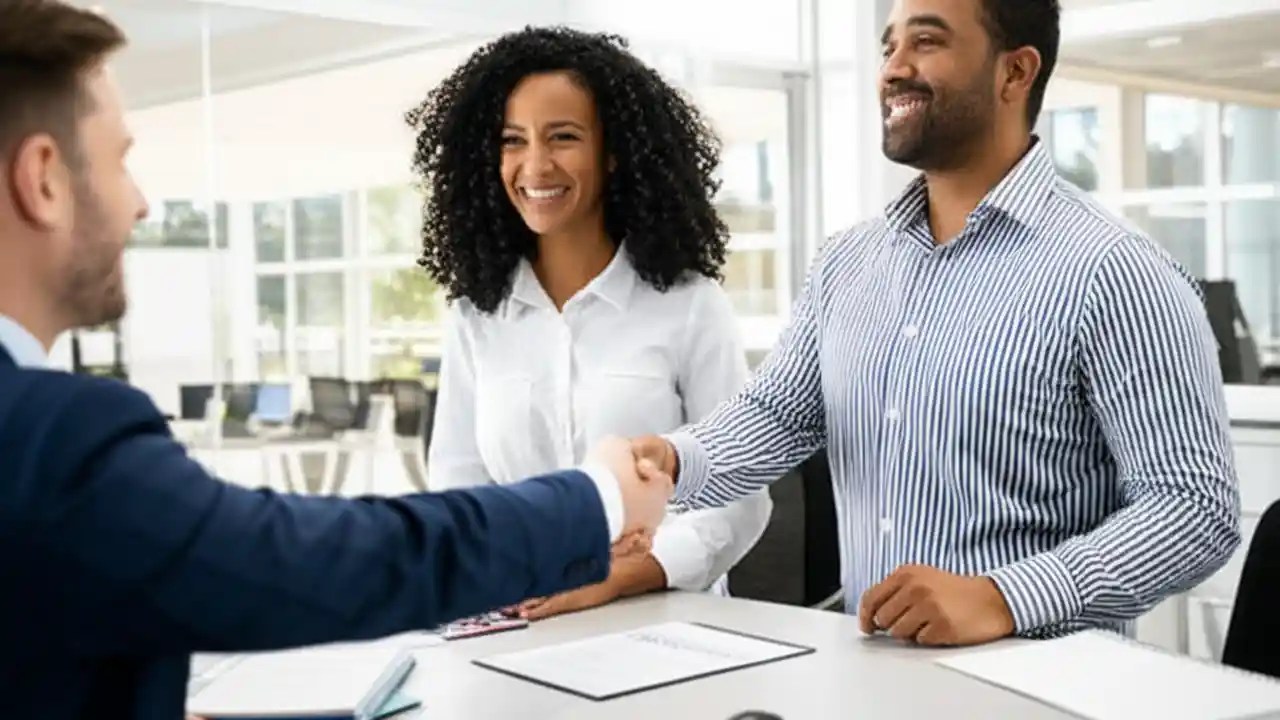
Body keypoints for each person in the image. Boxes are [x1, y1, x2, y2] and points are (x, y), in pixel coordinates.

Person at [0, 3, 670, 719]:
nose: (140, 204)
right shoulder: (48, 438)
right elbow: (319, 562)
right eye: (120, 161)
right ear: (44, 178)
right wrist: (597, 496)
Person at [633, 0, 1241, 646]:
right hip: (870, 675)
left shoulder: (1116, 274)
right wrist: (672, 460)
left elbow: (1193, 507)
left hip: (1040, 688)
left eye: (926, 42)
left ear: (1015, 74)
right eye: (888, 46)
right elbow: (780, 414)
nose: (893, 69)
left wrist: (1004, 598)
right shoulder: (848, 262)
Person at [413, 26, 772, 620]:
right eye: (512, 140)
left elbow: (739, 498)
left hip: (668, 623)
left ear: (613, 152)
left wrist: (618, 576)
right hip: (517, 620)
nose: (534, 165)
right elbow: (459, 487)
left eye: (563, 137)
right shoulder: (477, 315)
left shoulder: (688, 305)